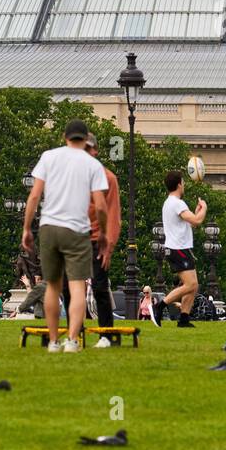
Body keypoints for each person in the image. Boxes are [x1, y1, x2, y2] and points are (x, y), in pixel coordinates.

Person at [21, 119, 108, 353]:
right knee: (78, 286)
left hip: (49, 226)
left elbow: (34, 197)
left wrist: (27, 228)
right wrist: (102, 232)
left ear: (65, 137)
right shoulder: (92, 165)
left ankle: (52, 342)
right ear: (85, 139)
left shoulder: (49, 157)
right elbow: (100, 206)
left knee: (52, 286)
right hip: (77, 229)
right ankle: (71, 340)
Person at [84, 133, 122, 346]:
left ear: (95, 151)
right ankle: (74, 334)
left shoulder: (108, 178)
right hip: (76, 236)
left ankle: (106, 334)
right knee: (67, 288)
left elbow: (114, 216)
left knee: (100, 286)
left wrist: (109, 246)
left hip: (99, 239)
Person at [155, 169, 206, 327]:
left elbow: (190, 222)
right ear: (179, 185)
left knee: (193, 285)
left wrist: (196, 213)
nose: (184, 185)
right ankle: (160, 306)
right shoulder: (177, 203)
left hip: (179, 248)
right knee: (190, 285)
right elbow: (197, 221)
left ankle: (184, 318)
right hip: (178, 249)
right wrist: (204, 208)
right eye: (183, 182)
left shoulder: (169, 203)